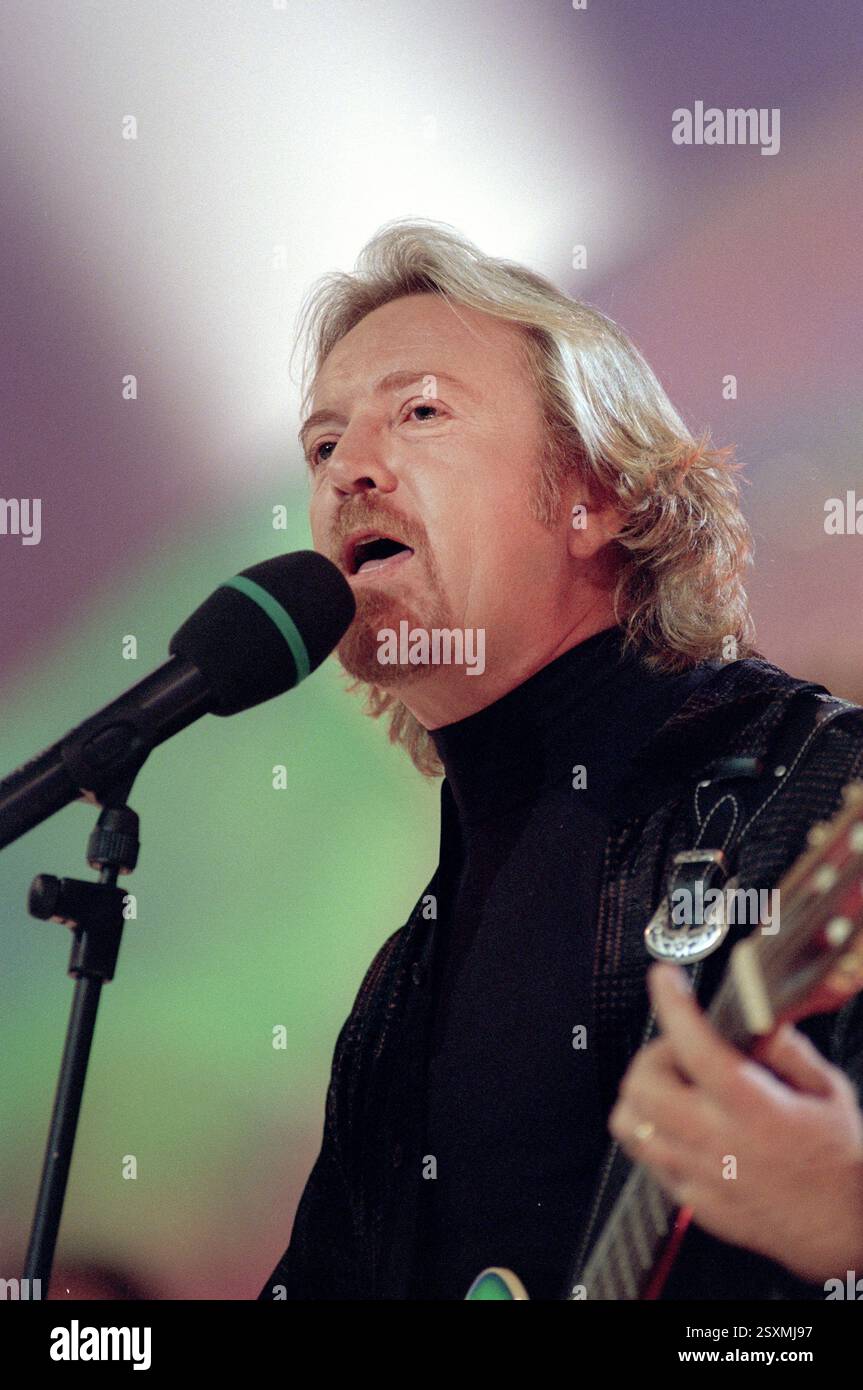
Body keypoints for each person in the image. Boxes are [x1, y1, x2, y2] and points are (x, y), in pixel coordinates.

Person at [258, 219, 863, 1301]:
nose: (347, 469)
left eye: (421, 411)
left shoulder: (820, 788)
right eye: (321, 445)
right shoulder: (400, 991)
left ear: (599, 492)